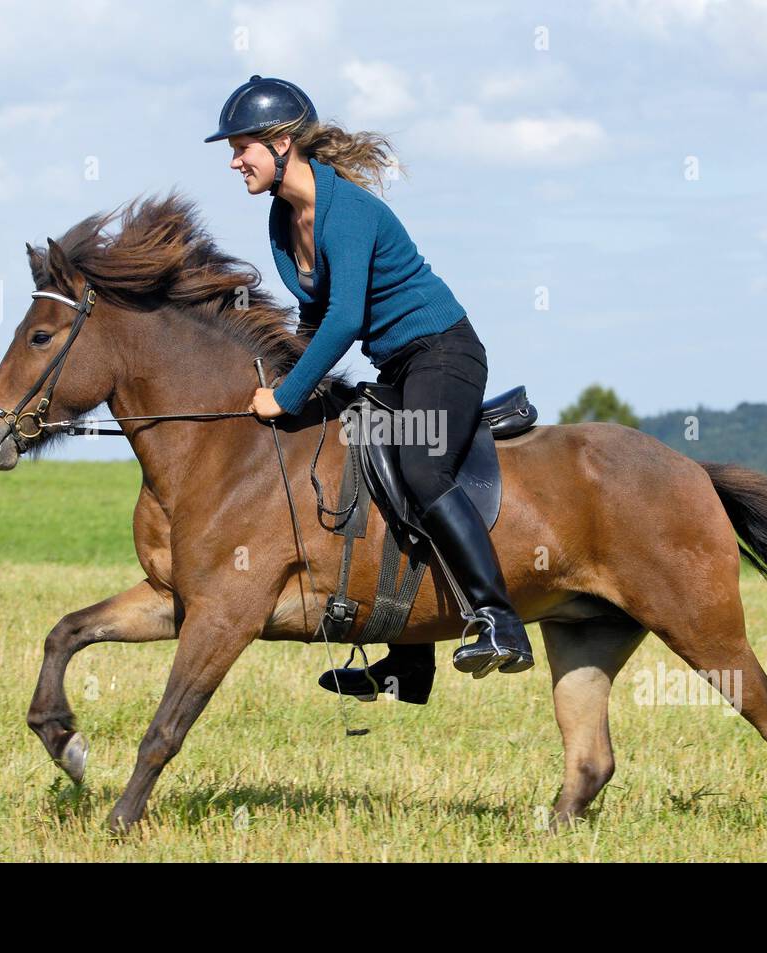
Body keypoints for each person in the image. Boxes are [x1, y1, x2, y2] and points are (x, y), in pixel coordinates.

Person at [205, 75, 533, 696]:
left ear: (281, 143)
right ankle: (409, 661)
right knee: (358, 465)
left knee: (424, 468)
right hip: (397, 368)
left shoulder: (348, 212)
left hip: (443, 354)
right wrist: (276, 376)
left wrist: (287, 395)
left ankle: (499, 621)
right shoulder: (283, 218)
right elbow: (311, 318)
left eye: (241, 145)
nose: (233, 160)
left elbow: (346, 319)